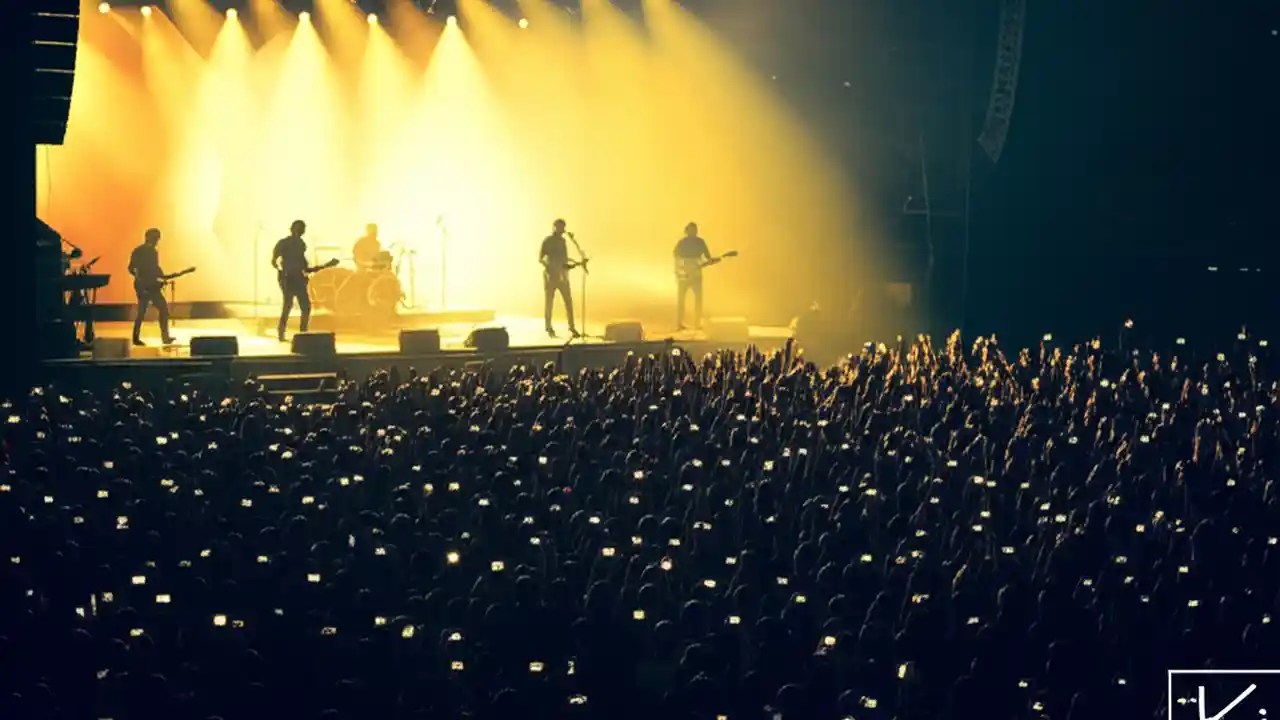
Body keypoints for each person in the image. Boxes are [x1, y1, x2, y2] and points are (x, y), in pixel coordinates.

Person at [128, 228, 174, 346]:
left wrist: (161, 277)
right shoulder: (140, 251)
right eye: (156, 238)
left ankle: (164, 337)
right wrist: (141, 279)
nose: (157, 241)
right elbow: (131, 268)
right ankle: (137, 338)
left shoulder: (151, 252)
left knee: (159, 309)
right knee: (144, 311)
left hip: (151, 285)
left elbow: (155, 268)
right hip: (144, 286)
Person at [539, 219, 580, 338]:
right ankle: (548, 326)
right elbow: (540, 258)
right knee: (549, 301)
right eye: (560, 227)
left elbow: (564, 260)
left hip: (562, 276)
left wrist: (570, 266)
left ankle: (571, 326)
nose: (562, 230)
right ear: (555, 227)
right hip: (550, 276)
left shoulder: (563, 241)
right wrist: (549, 268)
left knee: (568, 301)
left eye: (563, 227)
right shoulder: (548, 241)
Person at [273, 220, 311, 342]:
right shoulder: (286, 243)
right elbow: (274, 261)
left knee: (296, 305)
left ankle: (298, 332)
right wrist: (284, 272)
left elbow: (304, 265)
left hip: (293, 277)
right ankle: (299, 332)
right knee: (293, 305)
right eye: (302, 228)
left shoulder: (298, 244)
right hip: (290, 277)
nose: (303, 231)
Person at [673, 222, 712, 330]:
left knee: (698, 299)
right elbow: (676, 256)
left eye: (694, 230)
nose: (693, 232)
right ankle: (680, 322)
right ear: (687, 231)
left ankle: (697, 322)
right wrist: (678, 270)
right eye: (691, 230)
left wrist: (709, 261)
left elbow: (707, 257)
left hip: (695, 273)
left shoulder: (700, 242)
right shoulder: (683, 243)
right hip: (684, 273)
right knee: (682, 299)